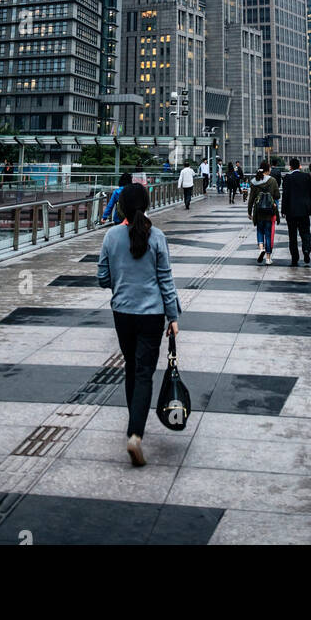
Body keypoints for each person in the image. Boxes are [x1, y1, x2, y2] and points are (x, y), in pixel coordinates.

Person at [97, 183, 181, 467]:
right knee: (145, 371)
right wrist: (173, 316)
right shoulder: (157, 236)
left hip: (122, 313)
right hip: (151, 315)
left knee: (131, 368)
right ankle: (135, 434)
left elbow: (102, 277)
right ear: (146, 205)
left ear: (120, 207)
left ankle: (133, 424)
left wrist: (120, 283)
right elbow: (165, 280)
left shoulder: (110, 236)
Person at [282, 156, 311, 266]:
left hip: (291, 211)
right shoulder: (306, 176)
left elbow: (285, 195)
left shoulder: (287, 178)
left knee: (292, 235)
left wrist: (283, 210)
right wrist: (310, 206)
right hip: (304, 210)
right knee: (305, 232)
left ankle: (294, 257)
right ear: (300, 166)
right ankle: (306, 250)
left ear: (290, 167)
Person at [247, 162, 280, 265]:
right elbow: (277, 196)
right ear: (267, 169)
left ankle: (261, 249)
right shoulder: (272, 180)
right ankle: (268, 258)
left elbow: (251, 199)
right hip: (269, 211)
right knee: (268, 234)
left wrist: (249, 212)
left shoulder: (254, 181)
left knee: (260, 231)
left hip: (258, 211)